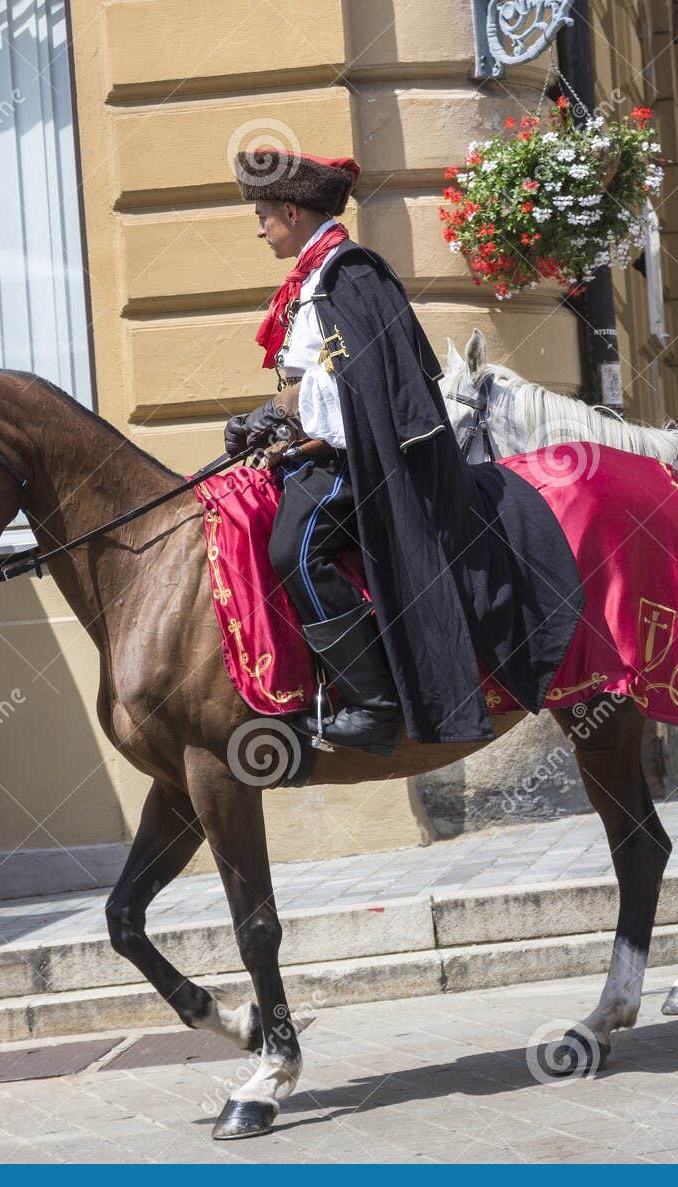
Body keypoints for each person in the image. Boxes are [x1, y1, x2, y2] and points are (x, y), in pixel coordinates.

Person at [227, 147, 580, 754]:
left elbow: (357, 387)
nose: (257, 228)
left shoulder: (348, 274)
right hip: (323, 447)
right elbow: (319, 380)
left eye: (263, 214)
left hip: (359, 461)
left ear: (291, 209)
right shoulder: (313, 279)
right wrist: (270, 429)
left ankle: (373, 703)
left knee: (294, 549)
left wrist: (281, 413)